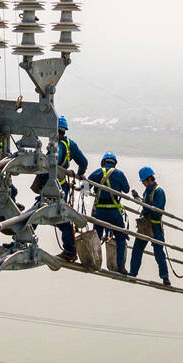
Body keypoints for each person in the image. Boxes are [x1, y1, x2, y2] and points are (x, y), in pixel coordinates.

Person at [51, 115, 88, 261]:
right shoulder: (70, 144)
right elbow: (83, 162)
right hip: (62, 185)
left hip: (55, 185)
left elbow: (56, 159)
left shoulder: (57, 145)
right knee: (54, 214)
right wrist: (79, 175)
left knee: (58, 216)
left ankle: (70, 250)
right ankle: (70, 249)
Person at [86, 152, 130, 270]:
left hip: (100, 212)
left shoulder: (97, 172)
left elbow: (85, 187)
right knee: (121, 237)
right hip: (114, 212)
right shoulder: (119, 174)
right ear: (114, 163)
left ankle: (94, 261)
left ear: (103, 162)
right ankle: (120, 265)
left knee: (96, 236)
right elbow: (126, 189)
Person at [128, 166, 169, 285]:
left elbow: (157, 210)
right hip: (145, 225)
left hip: (155, 226)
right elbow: (146, 205)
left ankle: (165, 277)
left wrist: (141, 203)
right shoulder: (147, 191)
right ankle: (133, 273)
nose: (143, 184)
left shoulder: (158, 191)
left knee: (159, 252)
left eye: (144, 182)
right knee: (137, 250)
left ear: (148, 179)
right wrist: (138, 198)